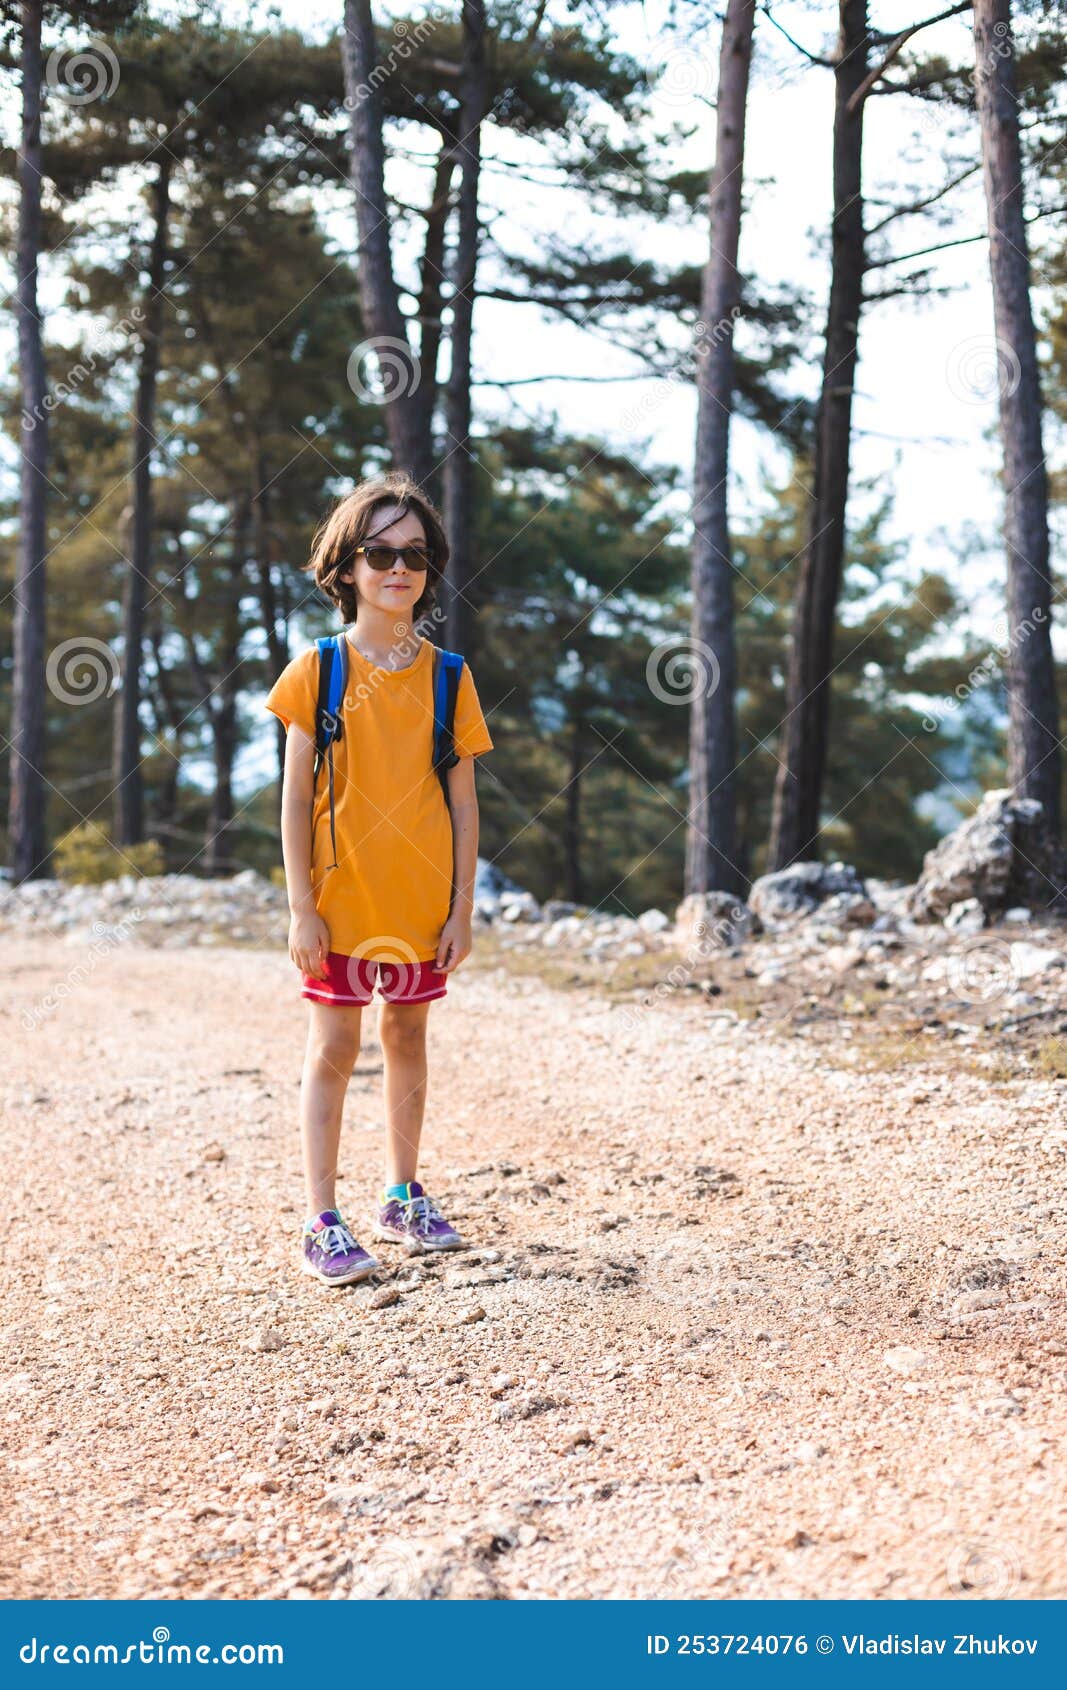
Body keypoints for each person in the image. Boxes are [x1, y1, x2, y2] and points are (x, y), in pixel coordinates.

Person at [265, 473, 494, 1285]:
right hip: (339, 905)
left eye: (415, 554)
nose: (399, 568)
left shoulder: (448, 677)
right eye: (380, 552)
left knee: (406, 1036)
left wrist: (462, 909)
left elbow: (463, 805)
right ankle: (322, 1218)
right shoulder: (316, 672)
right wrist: (301, 909)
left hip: (420, 905)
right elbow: (294, 801)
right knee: (334, 1044)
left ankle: (402, 1195)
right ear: (347, 568)